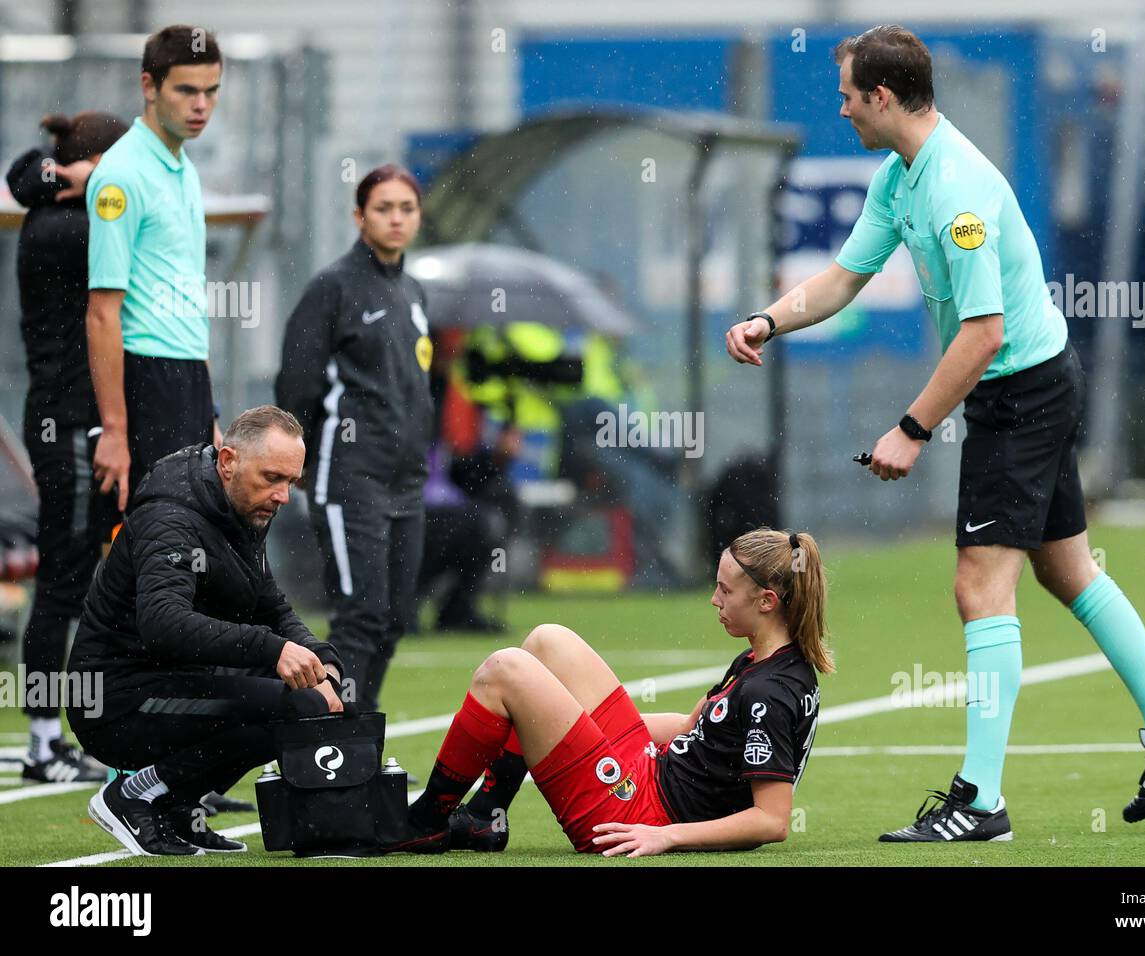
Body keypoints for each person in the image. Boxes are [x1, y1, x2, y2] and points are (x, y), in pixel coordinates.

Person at [725, 25, 1145, 841]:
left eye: (849, 94)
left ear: (882, 97)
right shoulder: (901, 174)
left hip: (1019, 394)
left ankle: (980, 802)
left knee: (978, 590)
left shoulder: (954, 187)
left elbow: (984, 333)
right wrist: (768, 319)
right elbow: (845, 278)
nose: (842, 107)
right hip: (1034, 385)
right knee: (1070, 574)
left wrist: (912, 428)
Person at [390, 528, 828, 857]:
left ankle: (426, 822)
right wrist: (582, 729)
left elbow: (771, 821)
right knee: (548, 640)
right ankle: (487, 816)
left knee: (505, 669)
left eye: (725, 590)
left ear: (767, 601)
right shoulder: (763, 659)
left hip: (637, 813)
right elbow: (688, 728)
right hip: (647, 771)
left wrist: (666, 836)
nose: (714, 599)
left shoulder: (769, 693)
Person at [67, 406, 345, 856]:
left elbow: (269, 604)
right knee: (292, 707)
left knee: (315, 699)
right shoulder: (170, 518)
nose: (283, 497)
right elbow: (162, 624)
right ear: (228, 461)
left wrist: (319, 656)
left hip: (175, 684)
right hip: (115, 701)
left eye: (291, 482)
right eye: (272, 477)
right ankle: (136, 796)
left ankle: (177, 809)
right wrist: (272, 650)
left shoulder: (240, 505)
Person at [275, 164, 434, 710]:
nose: (396, 218)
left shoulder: (413, 290)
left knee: (392, 619)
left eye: (406, 208)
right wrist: (299, 461)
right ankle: (332, 746)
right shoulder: (333, 287)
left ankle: (359, 741)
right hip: (349, 477)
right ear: (359, 216)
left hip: (406, 483)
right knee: (359, 614)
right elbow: (296, 382)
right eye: (383, 208)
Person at [6, 110, 128, 783]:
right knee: (63, 581)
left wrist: (55, 172)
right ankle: (43, 742)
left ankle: (105, 736)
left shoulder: (62, 205)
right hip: (66, 423)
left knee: (105, 580)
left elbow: (25, 172)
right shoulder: (67, 228)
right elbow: (25, 174)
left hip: (90, 421)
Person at [86, 24, 223, 514]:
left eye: (211, 91)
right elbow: (102, 312)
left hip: (187, 380)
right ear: (149, 86)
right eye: (186, 90)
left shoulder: (184, 167)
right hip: (145, 379)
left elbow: (187, 296)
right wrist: (116, 431)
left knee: (189, 553)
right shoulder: (121, 176)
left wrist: (207, 411)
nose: (201, 105)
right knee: (151, 555)